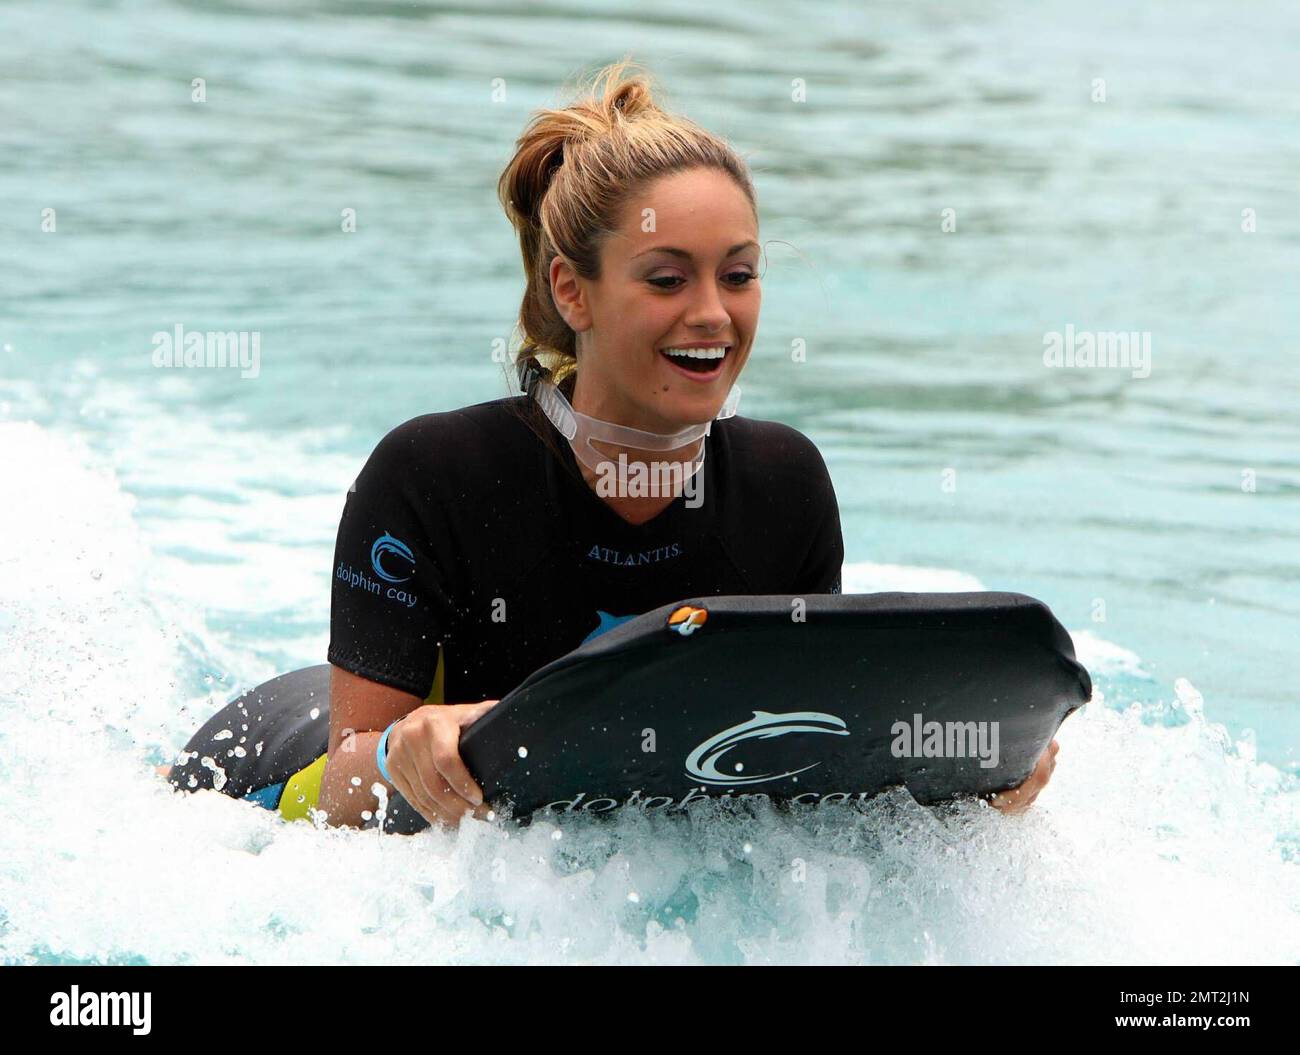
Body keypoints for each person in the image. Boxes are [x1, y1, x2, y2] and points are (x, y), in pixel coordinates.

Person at [160, 60, 1057, 828]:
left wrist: (963, 787)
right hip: (262, 781)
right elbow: (345, 782)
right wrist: (404, 749)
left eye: (739, 275)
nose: (713, 313)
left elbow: (792, 759)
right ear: (573, 291)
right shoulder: (434, 474)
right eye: (668, 278)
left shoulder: (786, 486)